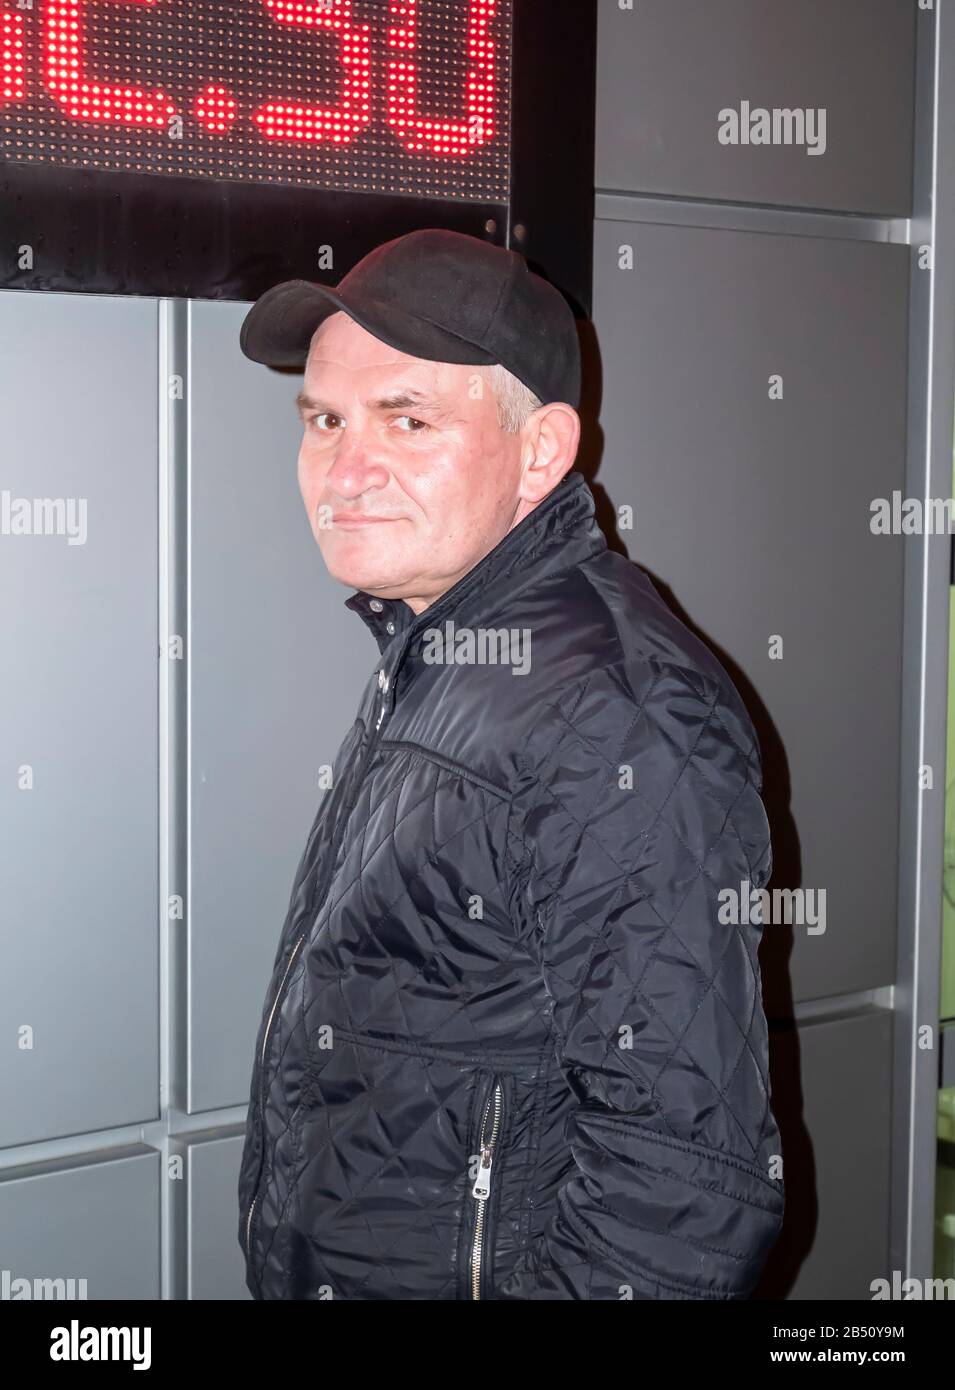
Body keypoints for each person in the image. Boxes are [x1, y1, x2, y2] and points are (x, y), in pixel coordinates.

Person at [235, 227, 784, 1300]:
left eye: (407, 418)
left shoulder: (609, 714)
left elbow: (686, 1192)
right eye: (324, 420)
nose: (344, 470)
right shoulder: (446, 648)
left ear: (539, 452)